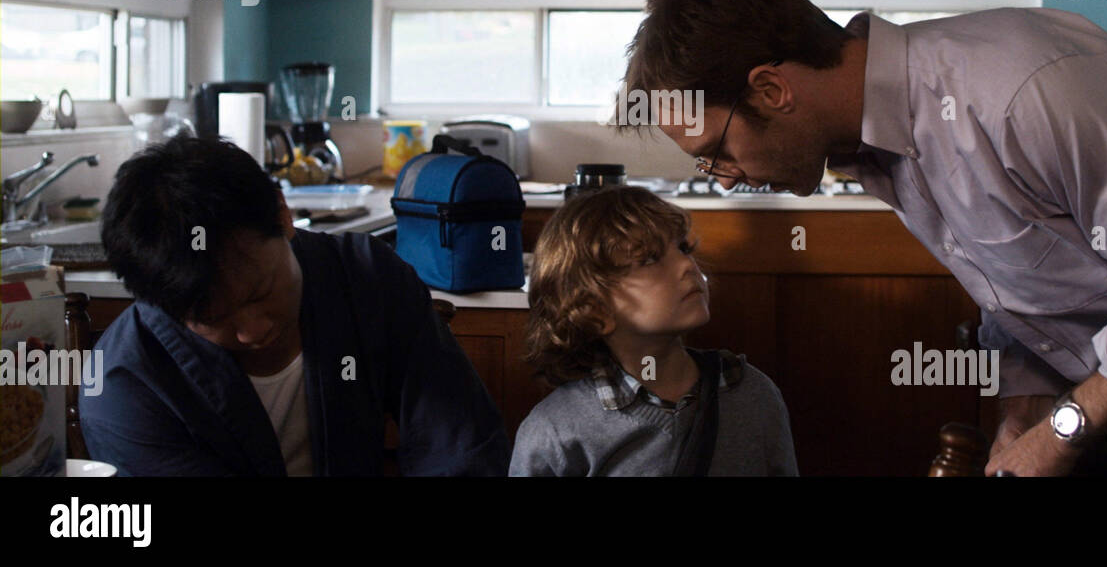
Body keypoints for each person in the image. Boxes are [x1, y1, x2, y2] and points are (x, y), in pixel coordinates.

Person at [619, 0, 1107, 476]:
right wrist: (1027, 403)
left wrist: (1063, 429)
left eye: (716, 151)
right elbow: (1025, 274)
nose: (723, 177)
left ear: (771, 88)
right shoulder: (875, 145)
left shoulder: (1021, 94)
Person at [80, 136, 509, 476]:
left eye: (259, 293)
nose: (251, 331)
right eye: (212, 320)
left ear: (283, 215)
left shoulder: (366, 279)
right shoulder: (126, 384)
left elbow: (458, 446)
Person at [509, 186, 798, 476]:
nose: (687, 265)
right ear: (593, 310)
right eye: (648, 259)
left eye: (683, 248)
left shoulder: (752, 393)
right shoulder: (556, 431)